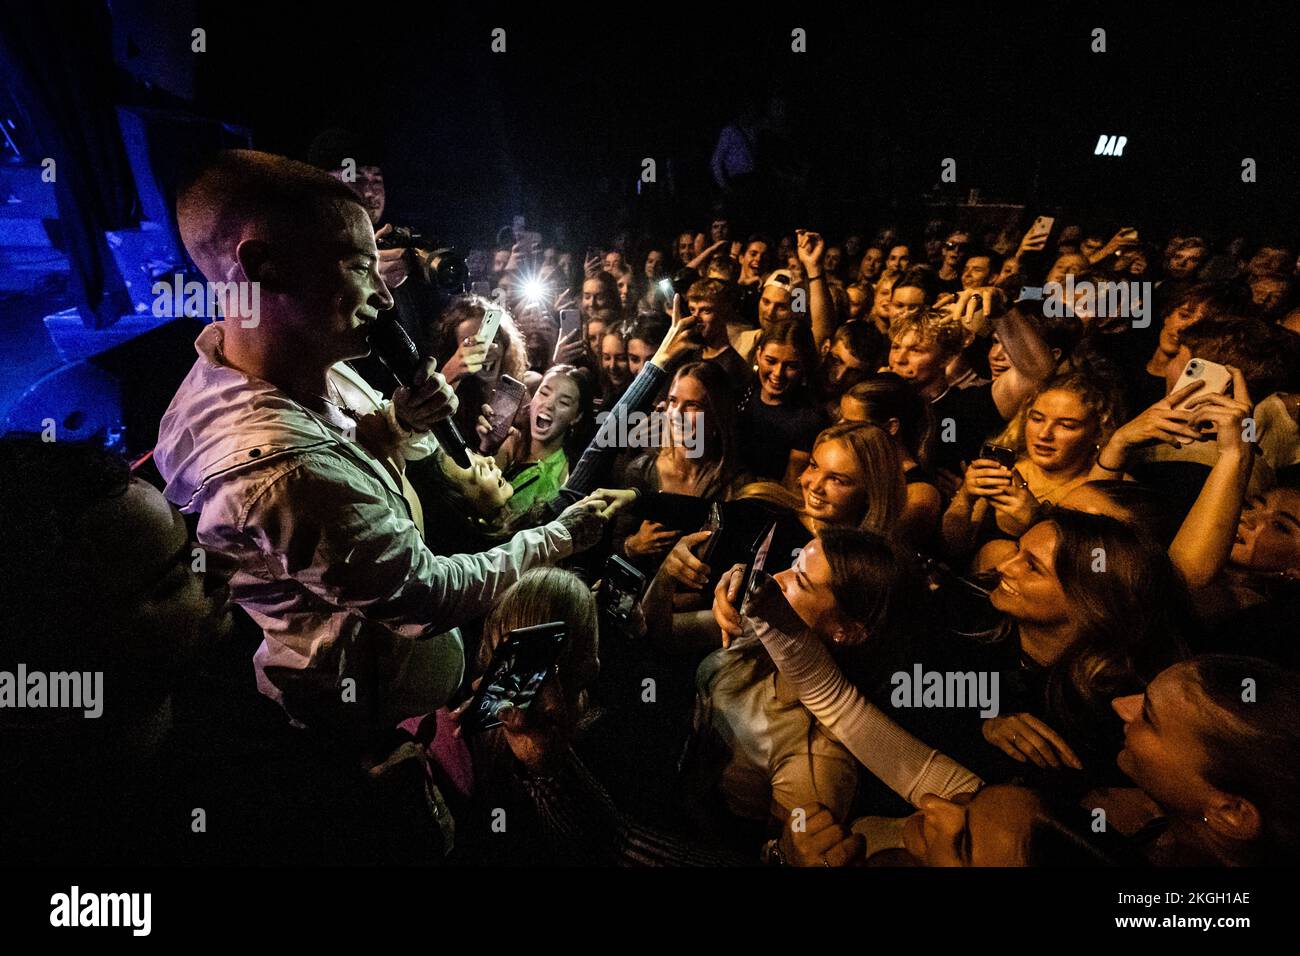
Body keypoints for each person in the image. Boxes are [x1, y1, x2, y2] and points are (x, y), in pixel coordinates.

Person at [153, 150, 618, 739]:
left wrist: (398, 426)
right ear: (262, 265)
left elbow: (358, 448)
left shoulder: (297, 366)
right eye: (357, 266)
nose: (385, 295)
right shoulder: (281, 470)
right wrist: (559, 537)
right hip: (365, 720)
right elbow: (424, 594)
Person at [736, 318, 827, 484]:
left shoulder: (809, 418)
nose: (778, 373)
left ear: (804, 366)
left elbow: (791, 485)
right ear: (758, 354)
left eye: (791, 366)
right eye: (770, 361)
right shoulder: (741, 389)